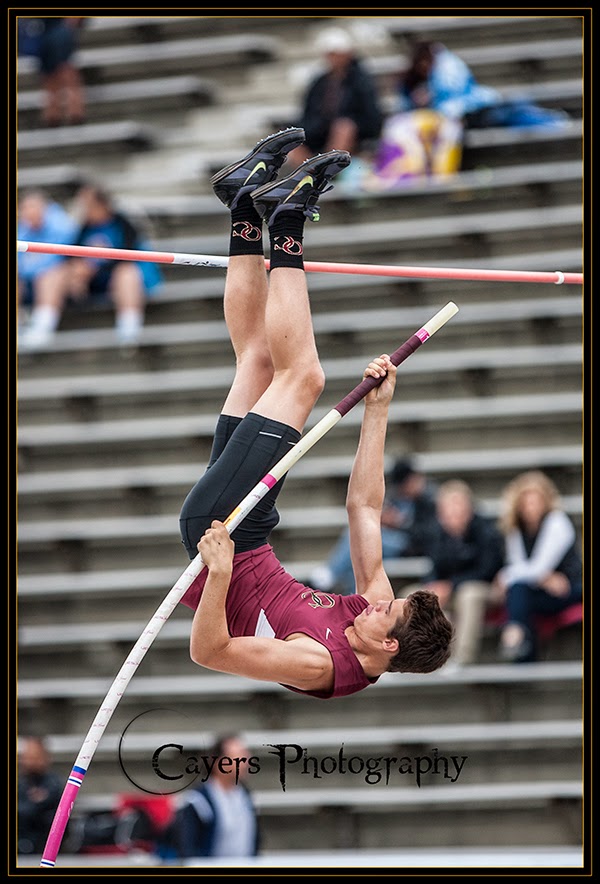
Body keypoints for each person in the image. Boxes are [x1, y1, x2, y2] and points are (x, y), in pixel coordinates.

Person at [178, 127, 453, 700]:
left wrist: (221, 575)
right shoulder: (372, 606)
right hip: (247, 528)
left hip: (227, 530)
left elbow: (210, 652)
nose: (380, 598)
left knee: (304, 377)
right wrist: (377, 413)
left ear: (389, 648)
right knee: (256, 360)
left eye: (387, 611)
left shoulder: (321, 665)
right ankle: (243, 206)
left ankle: (287, 224)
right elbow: (366, 506)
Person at [368, 38, 570, 188]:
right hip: (459, 118)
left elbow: (456, 98)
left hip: (478, 109)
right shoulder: (414, 80)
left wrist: (433, 103)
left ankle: (554, 121)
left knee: (513, 114)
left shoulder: (448, 66)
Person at [19, 182, 163, 351]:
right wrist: (76, 271)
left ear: (100, 204)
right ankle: (42, 327)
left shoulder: (122, 224)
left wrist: (95, 268)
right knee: (54, 274)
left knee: (126, 274)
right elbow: (69, 257)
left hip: (122, 277)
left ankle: (129, 331)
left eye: (86, 204)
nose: (83, 208)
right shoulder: (83, 228)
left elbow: (128, 257)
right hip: (91, 281)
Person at [401, 480, 505, 667]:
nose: (454, 514)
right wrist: (433, 587)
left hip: (486, 590)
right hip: (452, 589)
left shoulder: (486, 532)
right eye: (448, 510)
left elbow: (487, 570)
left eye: (459, 507)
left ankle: (462, 658)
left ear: (469, 508)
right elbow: (435, 568)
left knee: (469, 595)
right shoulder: (439, 535)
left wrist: (451, 585)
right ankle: (411, 657)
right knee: (413, 595)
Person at [309, 457, 438, 595]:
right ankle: (355, 596)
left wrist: (399, 523)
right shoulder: (397, 497)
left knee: (361, 538)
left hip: (411, 545)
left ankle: (330, 573)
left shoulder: (427, 500)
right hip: (393, 542)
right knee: (361, 556)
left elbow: (428, 533)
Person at [492, 471, 582, 663]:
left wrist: (506, 576)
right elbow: (530, 572)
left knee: (518, 590)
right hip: (539, 590)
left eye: (535, 501)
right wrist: (538, 578)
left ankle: (515, 639)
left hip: (568, 588)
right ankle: (520, 646)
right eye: (526, 503)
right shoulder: (516, 530)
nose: (530, 508)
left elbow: (538, 568)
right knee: (520, 592)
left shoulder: (557, 523)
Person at [285, 26, 384, 172]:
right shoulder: (319, 82)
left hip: (353, 136)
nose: (333, 58)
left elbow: (371, 117)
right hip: (319, 135)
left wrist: (350, 125)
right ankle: (312, 174)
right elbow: (307, 115)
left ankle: (327, 169)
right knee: (289, 139)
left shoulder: (361, 81)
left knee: (343, 127)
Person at [167, 734, 259, 860]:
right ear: (218, 762)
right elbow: (187, 847)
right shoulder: (198, 800)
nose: (245, 762)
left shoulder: (244, 796)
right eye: (238, 757)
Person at [17, 189, 78, 335]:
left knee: (50, 276)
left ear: (44, 207)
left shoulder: (62, 225)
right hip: (29, 280)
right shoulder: (23, 228)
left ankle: (42, 328)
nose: (27, 212)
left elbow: (57, 259)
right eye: (24, 208)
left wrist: (30, 267)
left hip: (62, 279)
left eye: (31, 207)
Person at [19, 17, 86, 127]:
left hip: (55, 30)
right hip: (44, 31)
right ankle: (55, 115)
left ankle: (73, 113)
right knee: (51, 74)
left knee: (64, 71)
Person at [18, 736, 63, 856]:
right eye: (27, 757)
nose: (30, 761)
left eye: (35, 757)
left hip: (44, 844)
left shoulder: (53, 783)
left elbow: (43, 805)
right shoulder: (20, 784)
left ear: (45, 758)